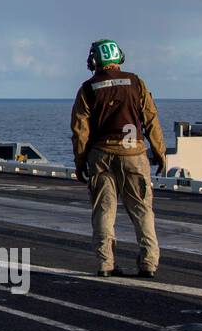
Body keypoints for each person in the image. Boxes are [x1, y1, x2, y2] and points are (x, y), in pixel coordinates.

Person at [70, 39, 168, 278]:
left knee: (104, 211)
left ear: (95, 60)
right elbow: (151, 120)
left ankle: (105, 264)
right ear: (119, 58)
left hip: (102, 155)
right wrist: (160, 153)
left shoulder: (88, 88)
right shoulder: (136, 82)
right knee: (143, 210)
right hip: (134, 153)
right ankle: (149, 263)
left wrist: (80, 162)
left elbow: (80, 130)